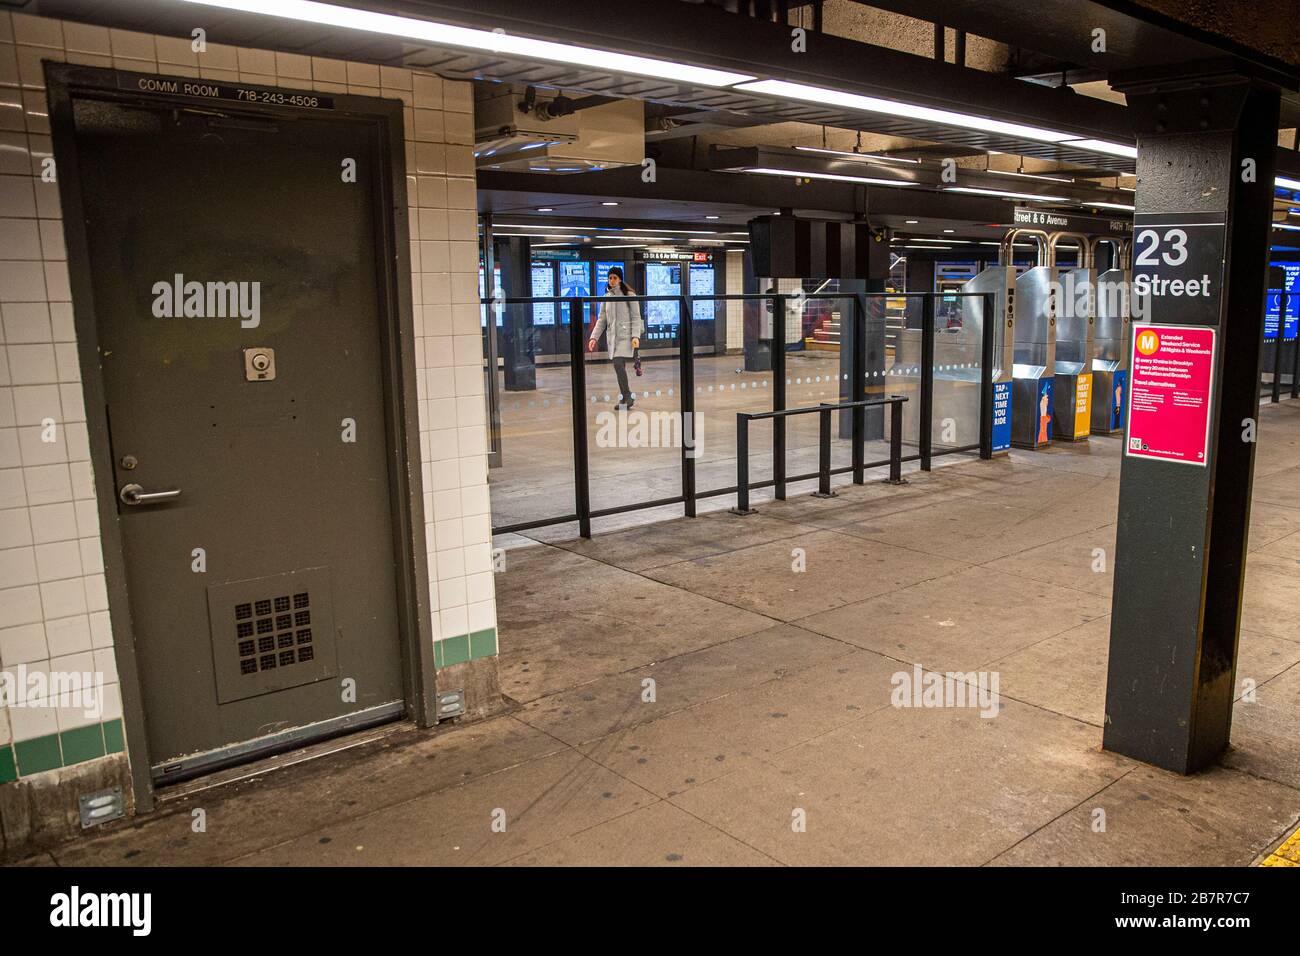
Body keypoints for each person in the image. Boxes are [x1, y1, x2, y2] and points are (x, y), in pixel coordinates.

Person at [588, 267, 643, 409]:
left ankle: (627, 396)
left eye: (615, 278)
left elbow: (636, 317)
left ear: (620, 279)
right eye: (610, 278)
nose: (612, 280)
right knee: (619, 367)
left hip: (626, 337)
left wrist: (635, 336)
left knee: (618, 363)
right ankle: (625, 398)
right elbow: (602, 320)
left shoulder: (629, 295)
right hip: (613, 338)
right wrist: (593, 338)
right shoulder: (606, 297)